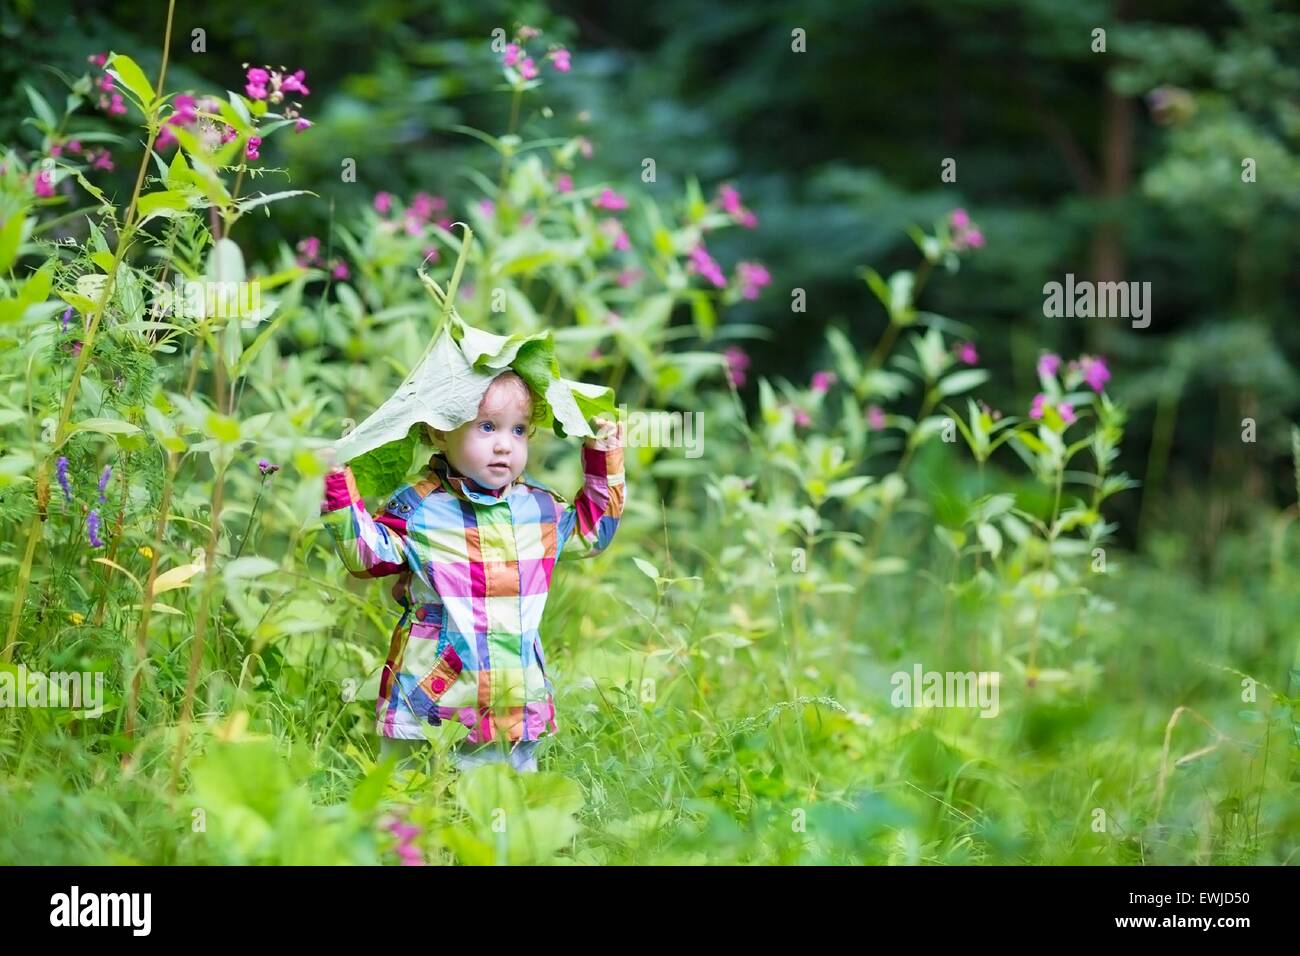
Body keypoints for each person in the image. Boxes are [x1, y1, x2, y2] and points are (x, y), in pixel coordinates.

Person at [318, 369, 625, 773]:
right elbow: (366, 558)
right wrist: (337, 487)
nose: (504, 445)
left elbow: (593, 532)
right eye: (487, 426)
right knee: (412, 802)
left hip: (511, 699)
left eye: (518, 430)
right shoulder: (419, 508)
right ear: (440, 431)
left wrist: (604, 459)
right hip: (429, 696)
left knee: (506, 807)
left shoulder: (538, 509)